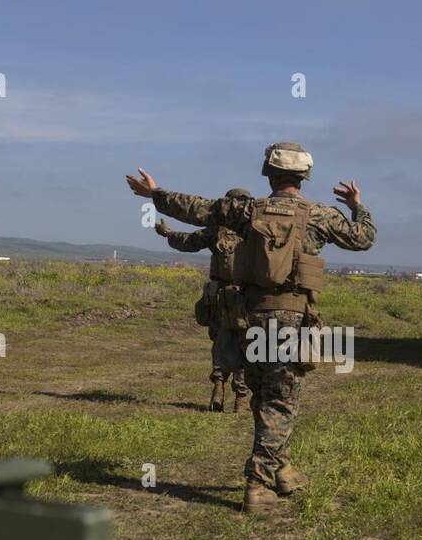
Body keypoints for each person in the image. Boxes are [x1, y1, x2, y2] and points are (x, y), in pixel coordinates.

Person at [126, 142, 376, 512]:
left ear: (268, 174)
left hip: (249, 318)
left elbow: (199, 209)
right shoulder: (321, 215)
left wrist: (156, 194)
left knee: (263, 396)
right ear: (304, 177)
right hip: (289, 319)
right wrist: (356, 205)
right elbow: (364, 238)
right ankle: (258, 484)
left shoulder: (245, 209)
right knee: (281, 400)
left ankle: (283, 471)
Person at [155, 187, 253, 412]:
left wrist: (167, 233)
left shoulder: (216, 231)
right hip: (245, 298)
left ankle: (218, 388)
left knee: (220, 343)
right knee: (246, 346)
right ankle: (241, 398)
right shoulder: (254, 229)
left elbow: (188, 241)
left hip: (218, 296)